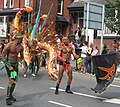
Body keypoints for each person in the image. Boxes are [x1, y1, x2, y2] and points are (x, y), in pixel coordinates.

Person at [1, 35, 23, 105]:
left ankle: (10, 95)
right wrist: (8, 65)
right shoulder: (9, 45)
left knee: (15, 80)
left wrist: (21, 61)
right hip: (9, 63)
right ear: (18, 39)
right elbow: (2, 56)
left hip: (15, 64)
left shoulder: (21, 47)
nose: (22, 40)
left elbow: (22, 56)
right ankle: (8, 98)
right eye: (21, 38)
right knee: (11, 80)